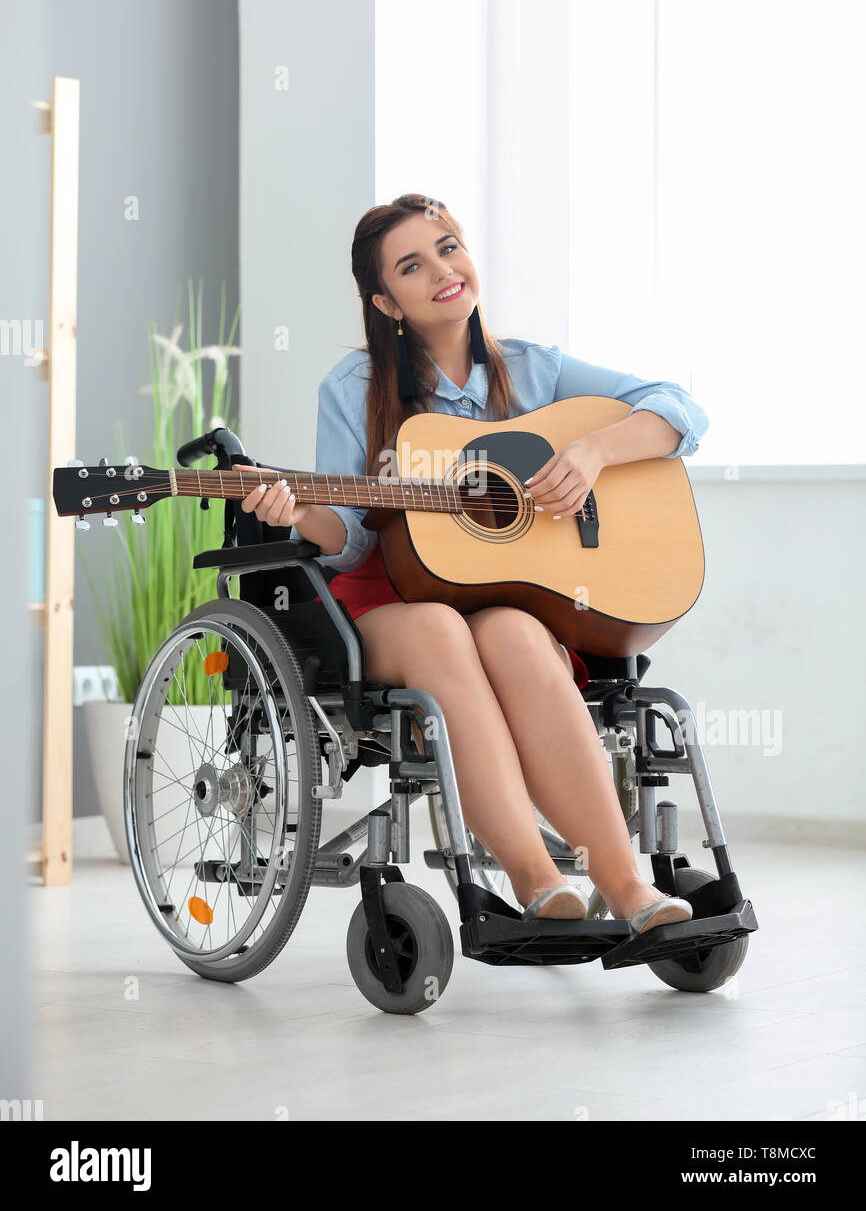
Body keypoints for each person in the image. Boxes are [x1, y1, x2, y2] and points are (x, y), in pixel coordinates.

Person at [234, 193, 707, 929]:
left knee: (514, 635)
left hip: (506, 600)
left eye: (449, 247)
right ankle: (535, 878)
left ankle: (627, 886)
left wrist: (589, 453)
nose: (442, 271)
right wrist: (299, 514)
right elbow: (352, 535)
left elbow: (678, 409)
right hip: (392, 599)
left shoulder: (534, 370)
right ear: (387, 301)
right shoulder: (354, 388)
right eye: (413, 266)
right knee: (442, 632)